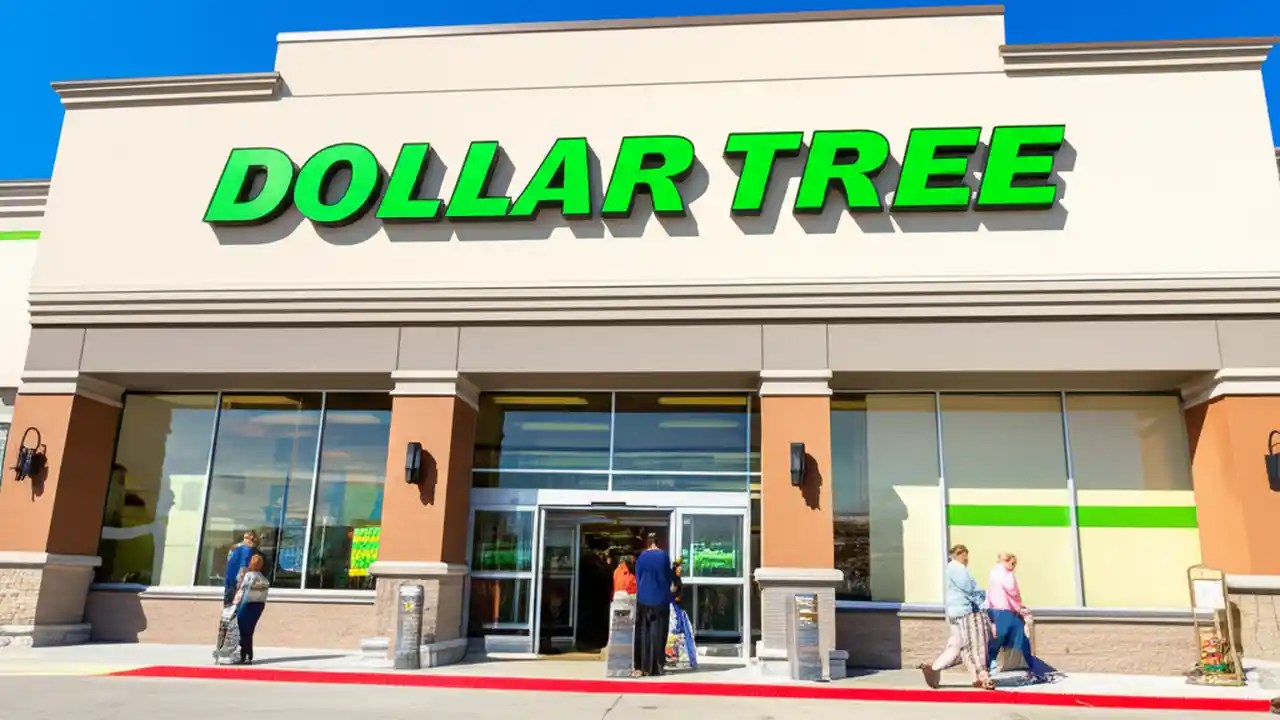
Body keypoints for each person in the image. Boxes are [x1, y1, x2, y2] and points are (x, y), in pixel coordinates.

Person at [919, 544, 994, 690]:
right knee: (975, 644)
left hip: (954, 611)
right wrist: (983, 597)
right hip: (965, 611)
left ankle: (935, 668)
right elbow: (969, 588)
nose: (967, 559)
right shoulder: (958, 568)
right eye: (966, 555)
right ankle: (982, 675)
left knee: (957, 645)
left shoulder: (950, 569)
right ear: (962, 554)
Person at [986, 553, 1053, 684]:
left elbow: (990, 594)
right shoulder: (1007, 575)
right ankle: (1034, 669)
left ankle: (987, 666)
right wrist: (1020, 609)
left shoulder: (993, 574)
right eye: (1012, 563)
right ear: (1007, 561)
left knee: (998, 640)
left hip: (996, 611)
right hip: (1007, 612)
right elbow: (1013, 593)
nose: (1014, 566)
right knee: (1021, 640)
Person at [632, 533, 672, 677]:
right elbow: (668, 577)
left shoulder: (642, 557)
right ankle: (657, 666)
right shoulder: (664, 557)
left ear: (648, 543)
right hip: (661, 598)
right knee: (659, 633)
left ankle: (642, 666)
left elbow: (638, 577)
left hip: (644, 598)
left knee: (643, 632)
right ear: (658, 542)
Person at [230, 552, 271, 665]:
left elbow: (242, 590)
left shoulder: (250, 575)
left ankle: (242, 655)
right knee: (249, 630)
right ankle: (248, 654)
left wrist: (235, 604)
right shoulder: (263, 578)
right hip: (258, 605)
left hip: (247, 604)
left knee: (242, 630)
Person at [223, 530, 262, 607]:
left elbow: (230, 564)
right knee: (236, 611)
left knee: (228, 610)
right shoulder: (246, 549)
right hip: (237, 585)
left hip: (229, 583)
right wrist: (241, 585)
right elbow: (243, 568)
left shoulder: (233, 549)